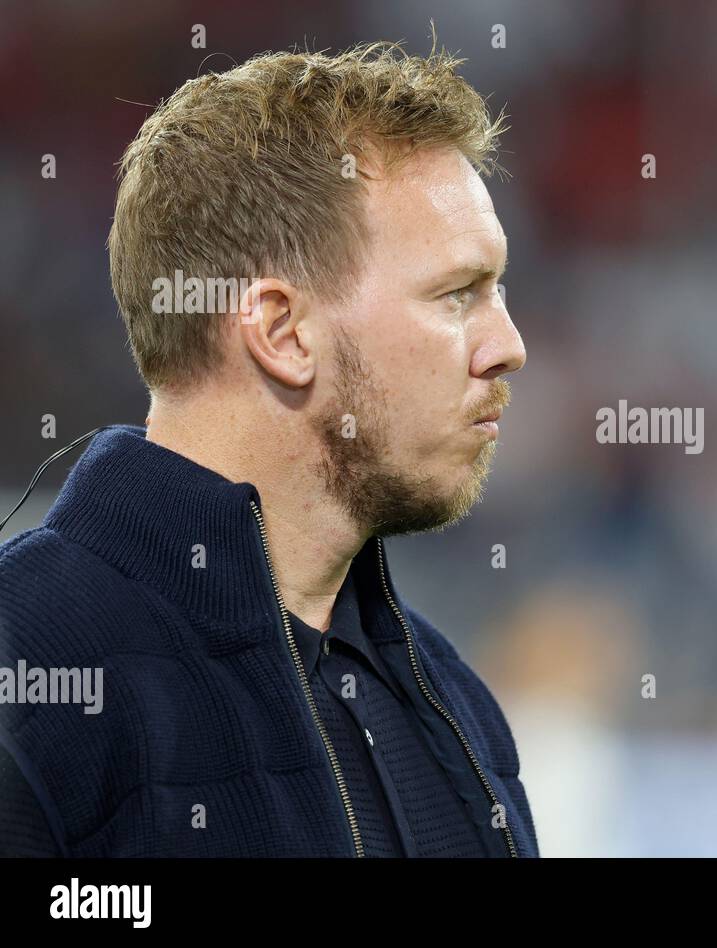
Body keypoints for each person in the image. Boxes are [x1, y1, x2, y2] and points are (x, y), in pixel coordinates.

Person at [0, 41, 536, 857]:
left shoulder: (454, 706)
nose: (509, 346)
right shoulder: (25, 672)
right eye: (457, 294)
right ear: (282, 332)